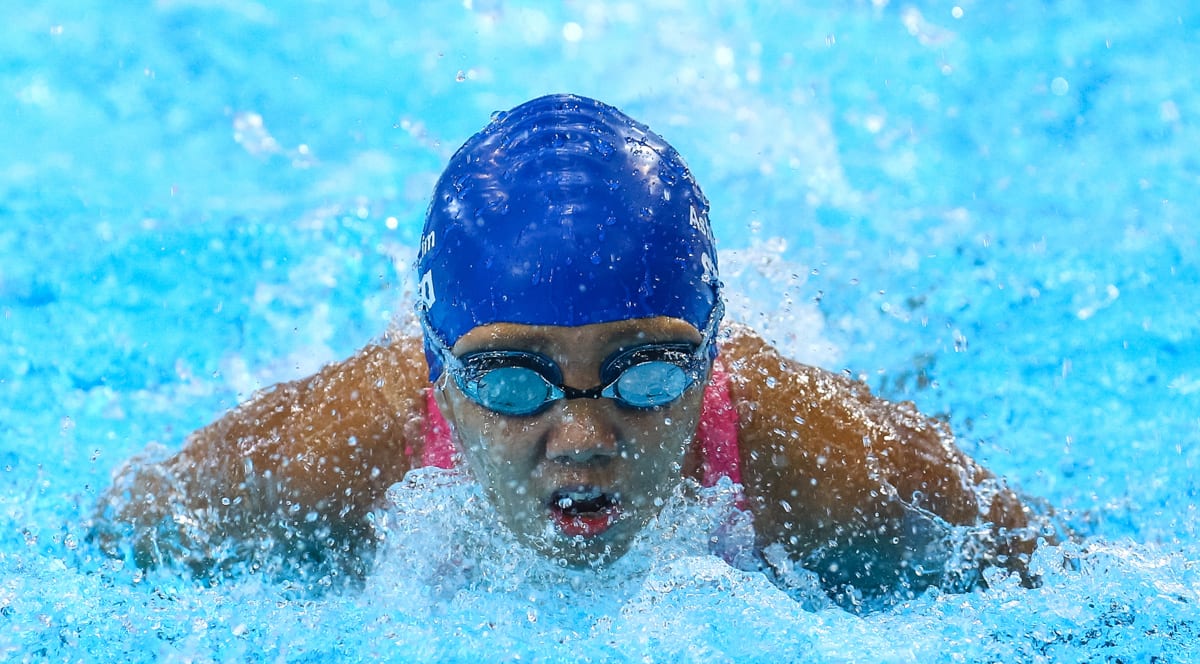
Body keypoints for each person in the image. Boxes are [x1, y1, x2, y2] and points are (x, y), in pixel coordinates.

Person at [93, 93, 1054, 608]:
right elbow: (116, 539)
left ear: (712, 360)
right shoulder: (326, 459)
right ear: (439, 373)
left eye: (648, 371)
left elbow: (1084, 594)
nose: (585, 433)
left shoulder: (838, 472)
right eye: (514, 380)